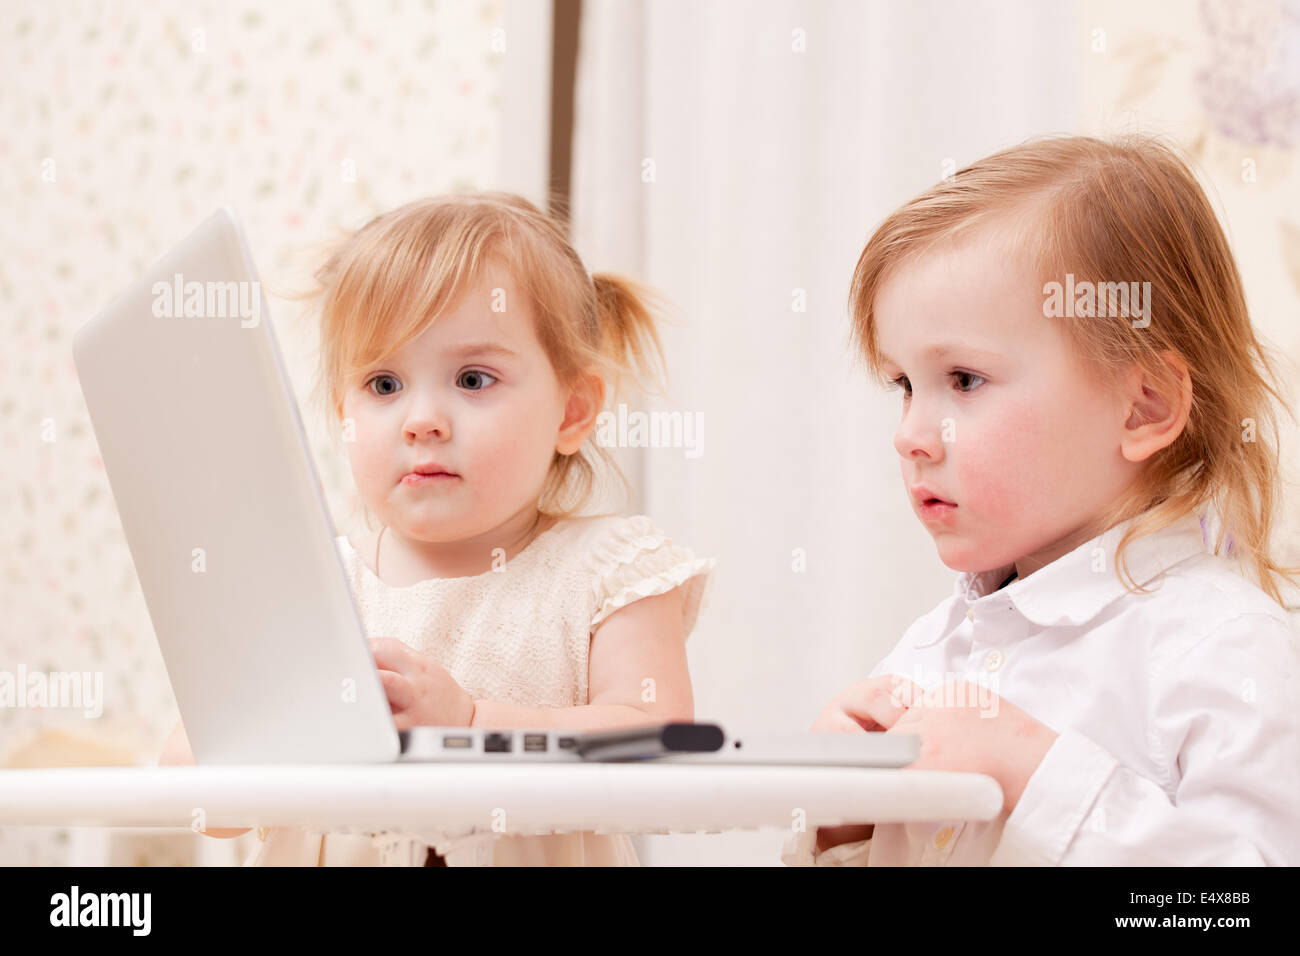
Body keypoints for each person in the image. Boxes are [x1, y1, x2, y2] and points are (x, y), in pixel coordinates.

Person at [785, 135, 1300, 866]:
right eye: (903, 385)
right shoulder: (934, 646)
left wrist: (1036, 771)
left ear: (1143, 406)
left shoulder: (1221, 643)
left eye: (963, 380)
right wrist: (841, 825)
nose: (911, 437)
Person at [160, 192, 715, 866]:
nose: (422, 419)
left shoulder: (610, 570)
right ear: (343, 414)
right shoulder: (311, 587)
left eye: (473, 378)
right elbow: (208, 813)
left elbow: (660, 753)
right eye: (384, 384)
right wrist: (217, 744)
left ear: (573, 410)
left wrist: (474, 726)